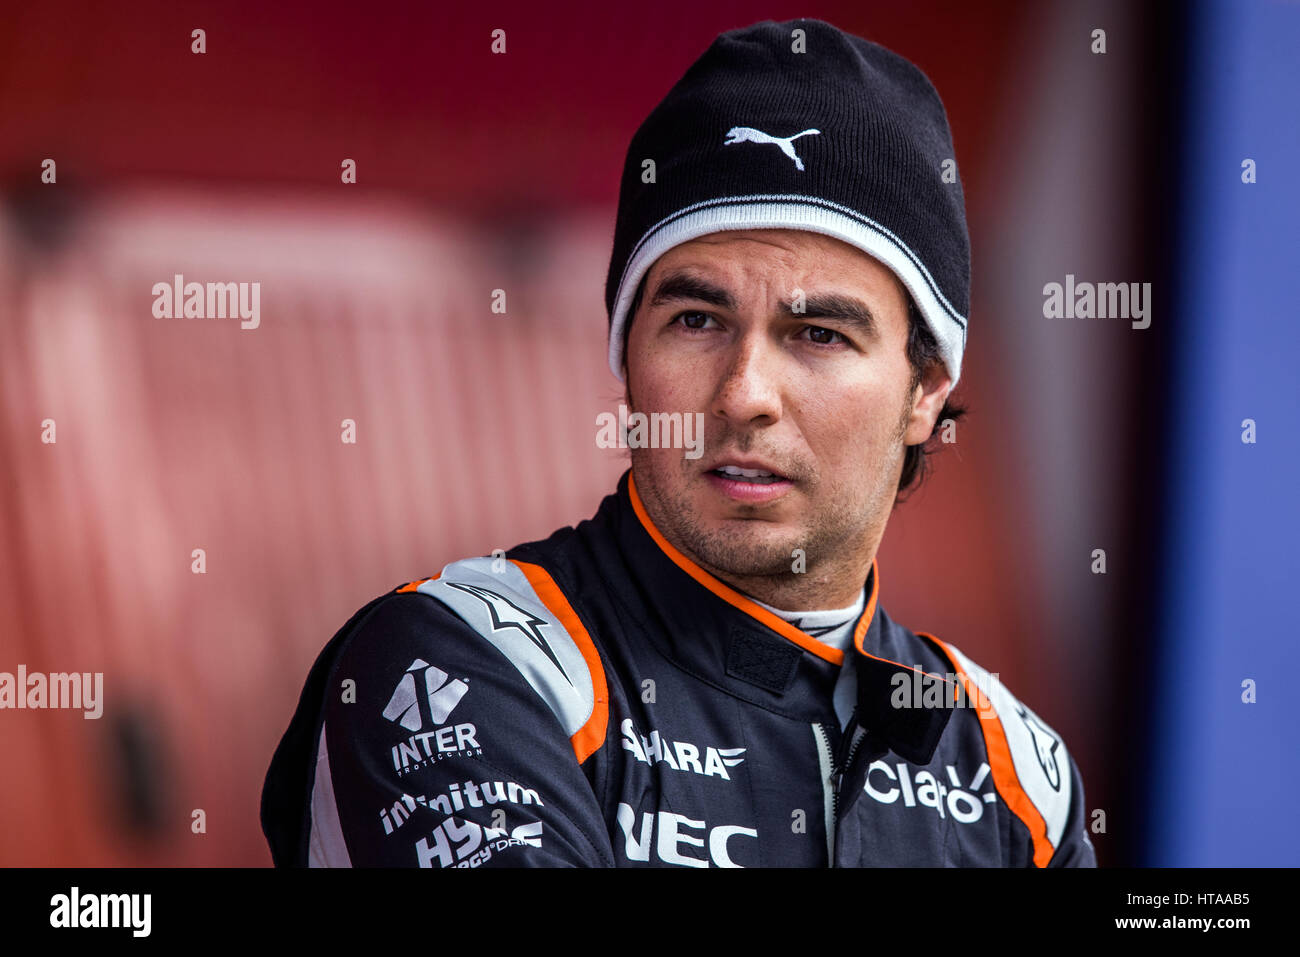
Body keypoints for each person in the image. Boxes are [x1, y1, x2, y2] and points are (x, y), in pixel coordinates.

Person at [261, 17, 1096, 868]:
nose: (744, 395)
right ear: (626, 353)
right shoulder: (468, 659)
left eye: (817, 335)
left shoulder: (1015, 773)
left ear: (925, 391)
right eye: (696, 320)